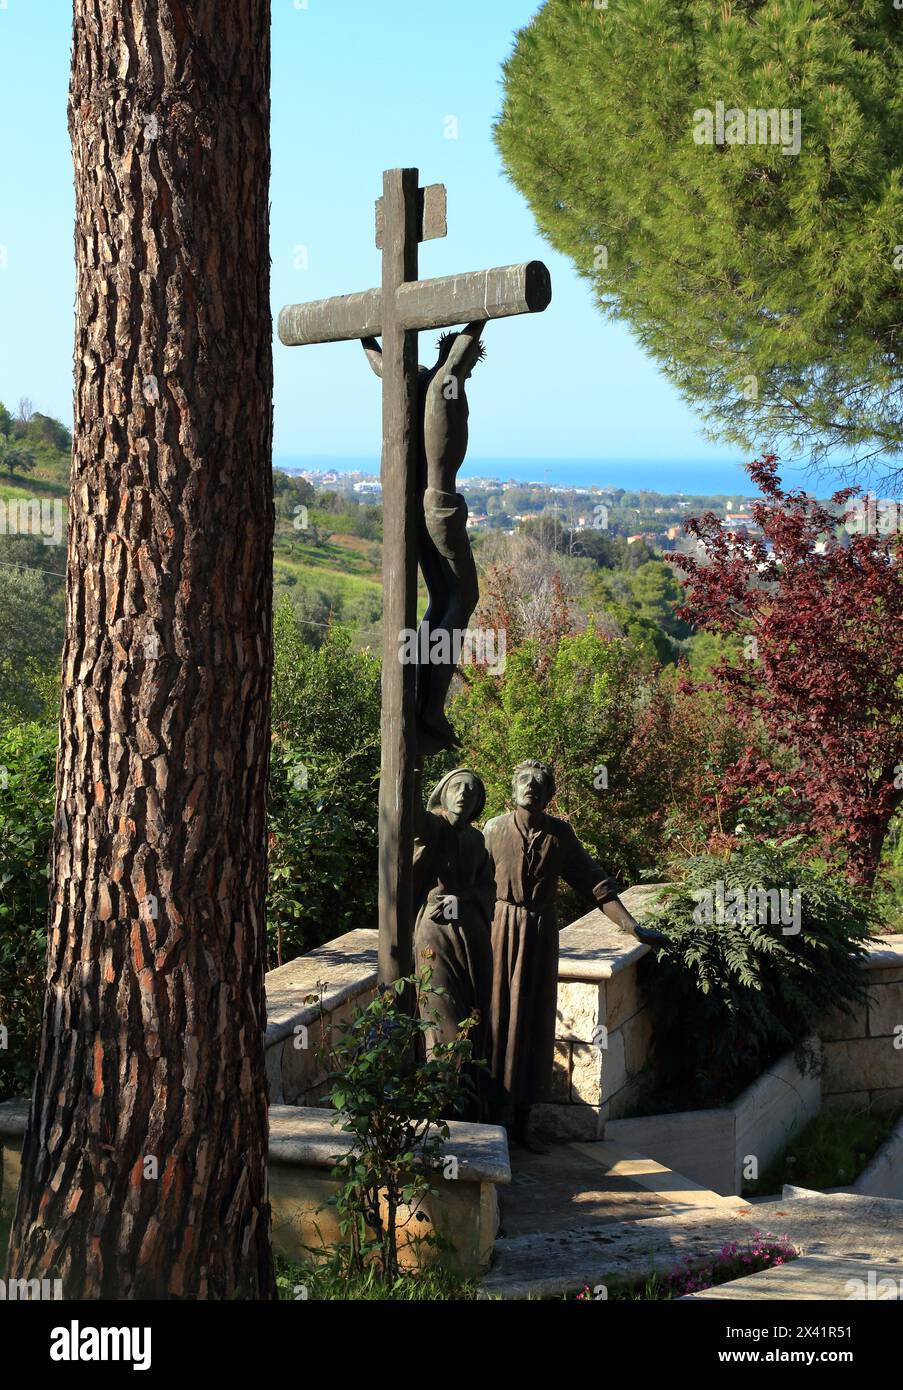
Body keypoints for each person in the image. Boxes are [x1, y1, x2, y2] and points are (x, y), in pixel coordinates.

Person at [484, 759, 663, 1152]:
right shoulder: (493, 830)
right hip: (500, 930)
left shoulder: (560, 835)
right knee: (498, 1019)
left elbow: (593, 883)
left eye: (540, 782)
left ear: (550, 794)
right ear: (512, 787)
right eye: (524, 779)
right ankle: (495, 1117)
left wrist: (632, 927)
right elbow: (468, 882)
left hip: (540, 935)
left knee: (534, 1021)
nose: (531, 786)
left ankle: (524, 1122)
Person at [361, 323, 486, 754]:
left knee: (440, 601)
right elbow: (458, 356)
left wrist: (364, 332)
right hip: (441, 505)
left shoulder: (411, 378)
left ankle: (421, 697)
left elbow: (380, 364)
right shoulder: (446, 383)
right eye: (469, 358)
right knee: (463, 598)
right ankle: (431, 703)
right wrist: (483, 311)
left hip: (411, 505)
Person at [412, 767, 495, 1120]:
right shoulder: (436, 825)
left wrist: (467, 899)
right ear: (443, 793)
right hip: (437, 935)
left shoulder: (476, 840)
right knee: (441, 1016)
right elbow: (411, 819)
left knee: (472, 1017)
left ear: (478, 804)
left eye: (472, 791)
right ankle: (441, 1109)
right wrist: (410, 778)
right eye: (457, 787)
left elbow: (489, 888)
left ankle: (467, 1105)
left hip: (471, 937)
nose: (464, 794)